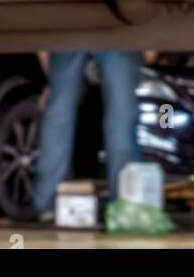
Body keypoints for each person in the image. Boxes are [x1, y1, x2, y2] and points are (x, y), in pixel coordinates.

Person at [31, 51, 142, 220]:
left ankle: (46, 203)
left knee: (59, 113)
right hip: (118, 36)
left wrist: (46, 57)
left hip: (74, 33)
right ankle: (125, 204)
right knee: (121, 116)